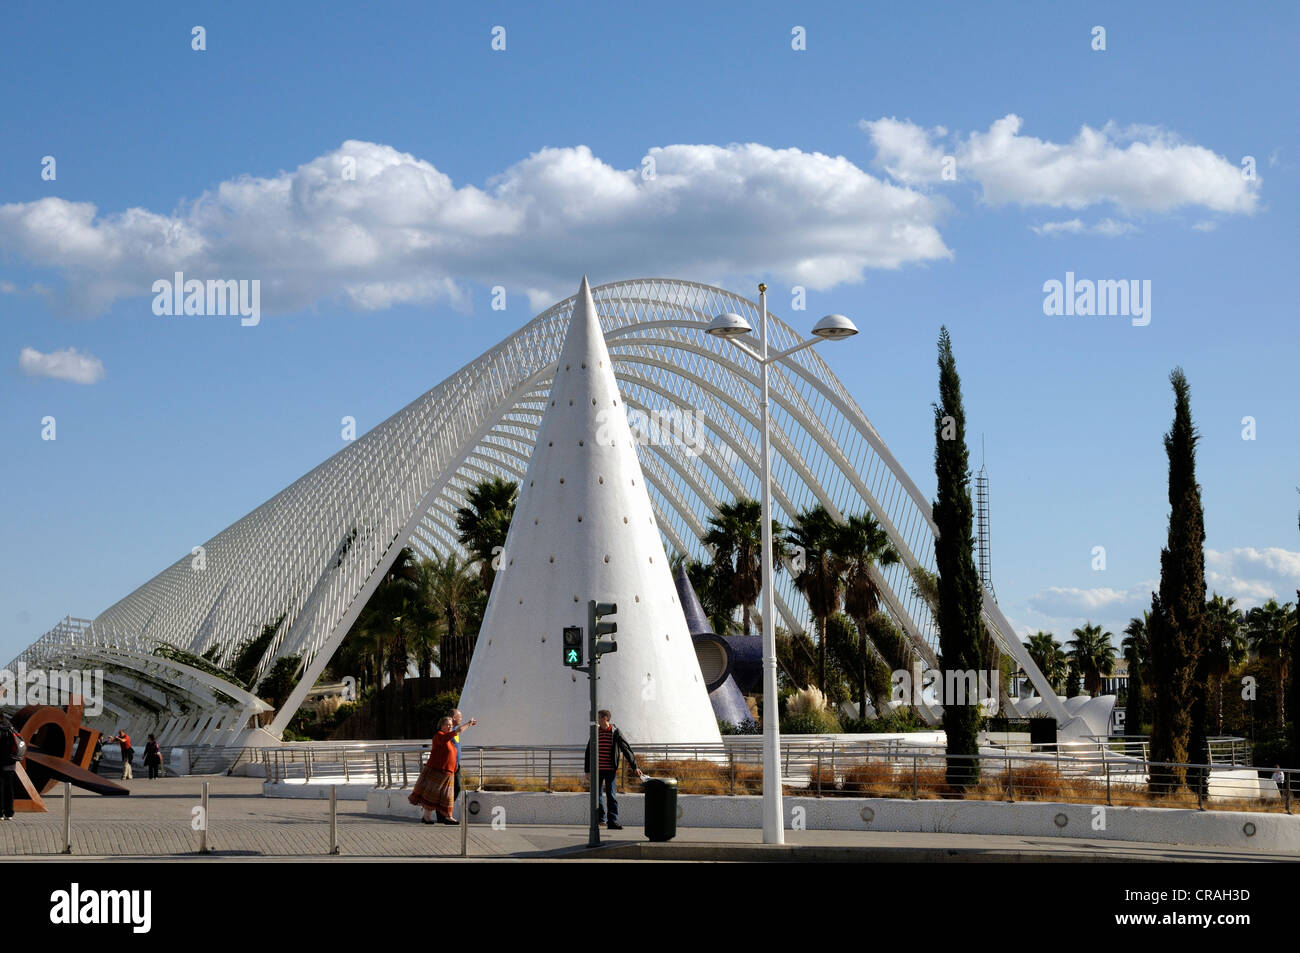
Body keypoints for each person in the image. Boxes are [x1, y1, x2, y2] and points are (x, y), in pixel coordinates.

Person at [409, 715, 476, 824]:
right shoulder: (439, 736)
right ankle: (427, 817)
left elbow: (457, 733)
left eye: (451, 725)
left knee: (447, 796)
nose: (450, 727)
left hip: (448, 772)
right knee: (431, 795)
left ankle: (448, 817)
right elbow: (457, 731)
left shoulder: (449, 738)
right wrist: (468, 723)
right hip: (437, 771)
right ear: (441, 725)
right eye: (447, 725)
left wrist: (469, 724)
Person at [584, 709, 643, 830]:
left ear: (605, 718)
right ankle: (601, 819)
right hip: (597, 770)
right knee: (597, 795)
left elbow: (626, 748)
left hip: (610, 769)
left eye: (599, 718)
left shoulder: (615, 732)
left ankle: (613, 821)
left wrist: (634, 766)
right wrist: (587, 770)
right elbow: (588, 751)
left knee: (611, 795)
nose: (597, 720)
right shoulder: (595, 731)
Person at [0, 717, 19, 820]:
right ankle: (9, 813)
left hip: (1, 764)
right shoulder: (11, 727)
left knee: (0, 788)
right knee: (9, 789)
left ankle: (0, 813)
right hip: (11, 764)